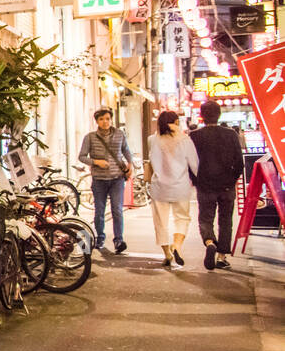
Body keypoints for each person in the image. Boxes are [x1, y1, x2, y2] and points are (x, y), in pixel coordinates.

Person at [190, 100, 243, 270]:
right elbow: (240, 163)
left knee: (205, 218)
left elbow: (190, 163)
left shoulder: (194, 136)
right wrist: (232, 180)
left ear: (202, 116)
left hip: (205, 186)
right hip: (226, 186)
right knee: (226, 220)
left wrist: (196, 181)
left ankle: (210, 241)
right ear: (219, 114)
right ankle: (222, 256)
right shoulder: (231, 135)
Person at [144, 110, 199, 268]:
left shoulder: (152, 140)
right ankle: (177, 246)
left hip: (159, 188)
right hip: (180, 187)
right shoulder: (184, 139)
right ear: (175, 123)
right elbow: (194, 164)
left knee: (160, 222)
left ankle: (167, 254)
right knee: (182, 218)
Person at [78, 108, 135, 253]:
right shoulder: (90, 137)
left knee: (117, 210)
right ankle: (100, 238)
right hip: (99, 179)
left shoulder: (119, 134)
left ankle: (118, 240)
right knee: (99, 212)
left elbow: (126, 150)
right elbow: (82, 156)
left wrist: (130, 163)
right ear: (97, 121)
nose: (105, 122)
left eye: (108, 119)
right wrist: (96, 162)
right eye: (102, 119)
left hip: (117, 178)